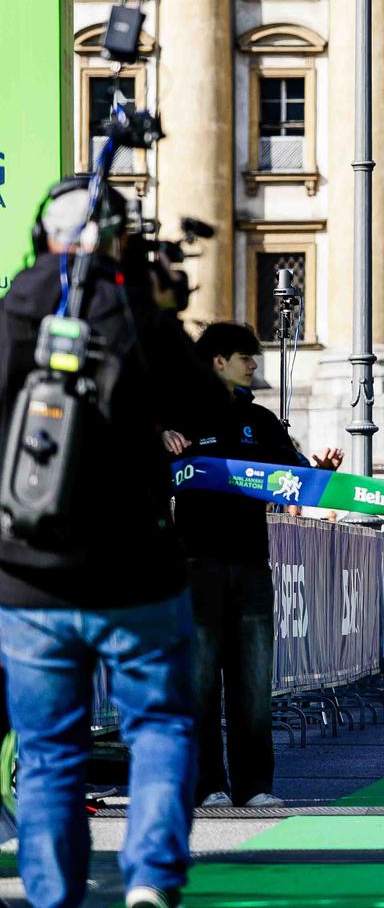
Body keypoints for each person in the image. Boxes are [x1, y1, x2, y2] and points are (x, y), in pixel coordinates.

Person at [0, 179, 227, 908]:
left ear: (45, 237)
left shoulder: (11, 311)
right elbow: (206, 402)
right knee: (160, 723)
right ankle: (151, 881)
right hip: (137, 571)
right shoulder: (135, 310)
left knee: (47, 754)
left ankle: (53, 895)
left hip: (28, 577)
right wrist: (161, 309)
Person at [168, 322, 339, 810]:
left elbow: (297, 476)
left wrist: (321, 470)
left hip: (251, 564)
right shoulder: (178, 415)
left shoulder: (261, 420)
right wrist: (160, 440)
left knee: (253, 681)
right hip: (196, 563)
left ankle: (255, 785)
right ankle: (207, 785)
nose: (254, 365)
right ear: (218, 362)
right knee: (200, 682)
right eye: (246, 357)